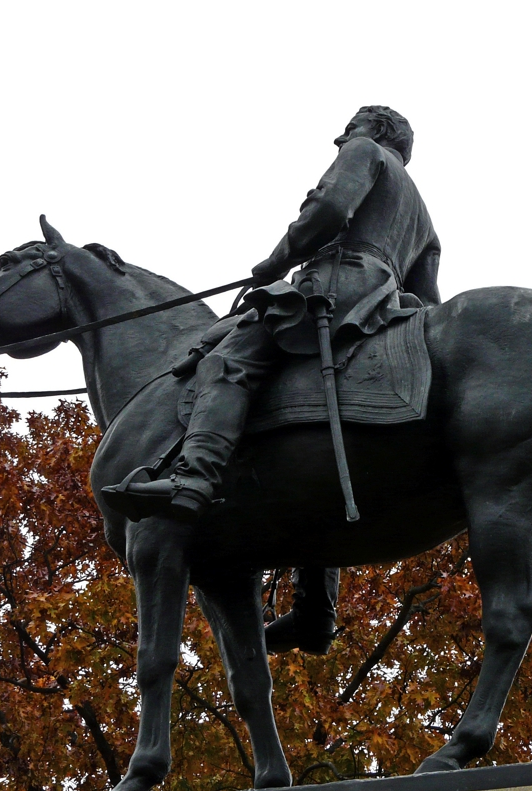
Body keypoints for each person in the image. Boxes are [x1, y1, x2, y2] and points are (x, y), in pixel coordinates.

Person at [102, 106, 441, 654]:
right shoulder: (422, 215)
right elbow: (429, 300)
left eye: (350, 126)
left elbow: (328, 208)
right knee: (316, 439)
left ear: (376, 131)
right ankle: (315, 609)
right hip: (381, 301)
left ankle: (196, 476)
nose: (341, 135)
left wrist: (274, 263)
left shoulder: (364, 153)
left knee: (228, 360)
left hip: (333, 284)